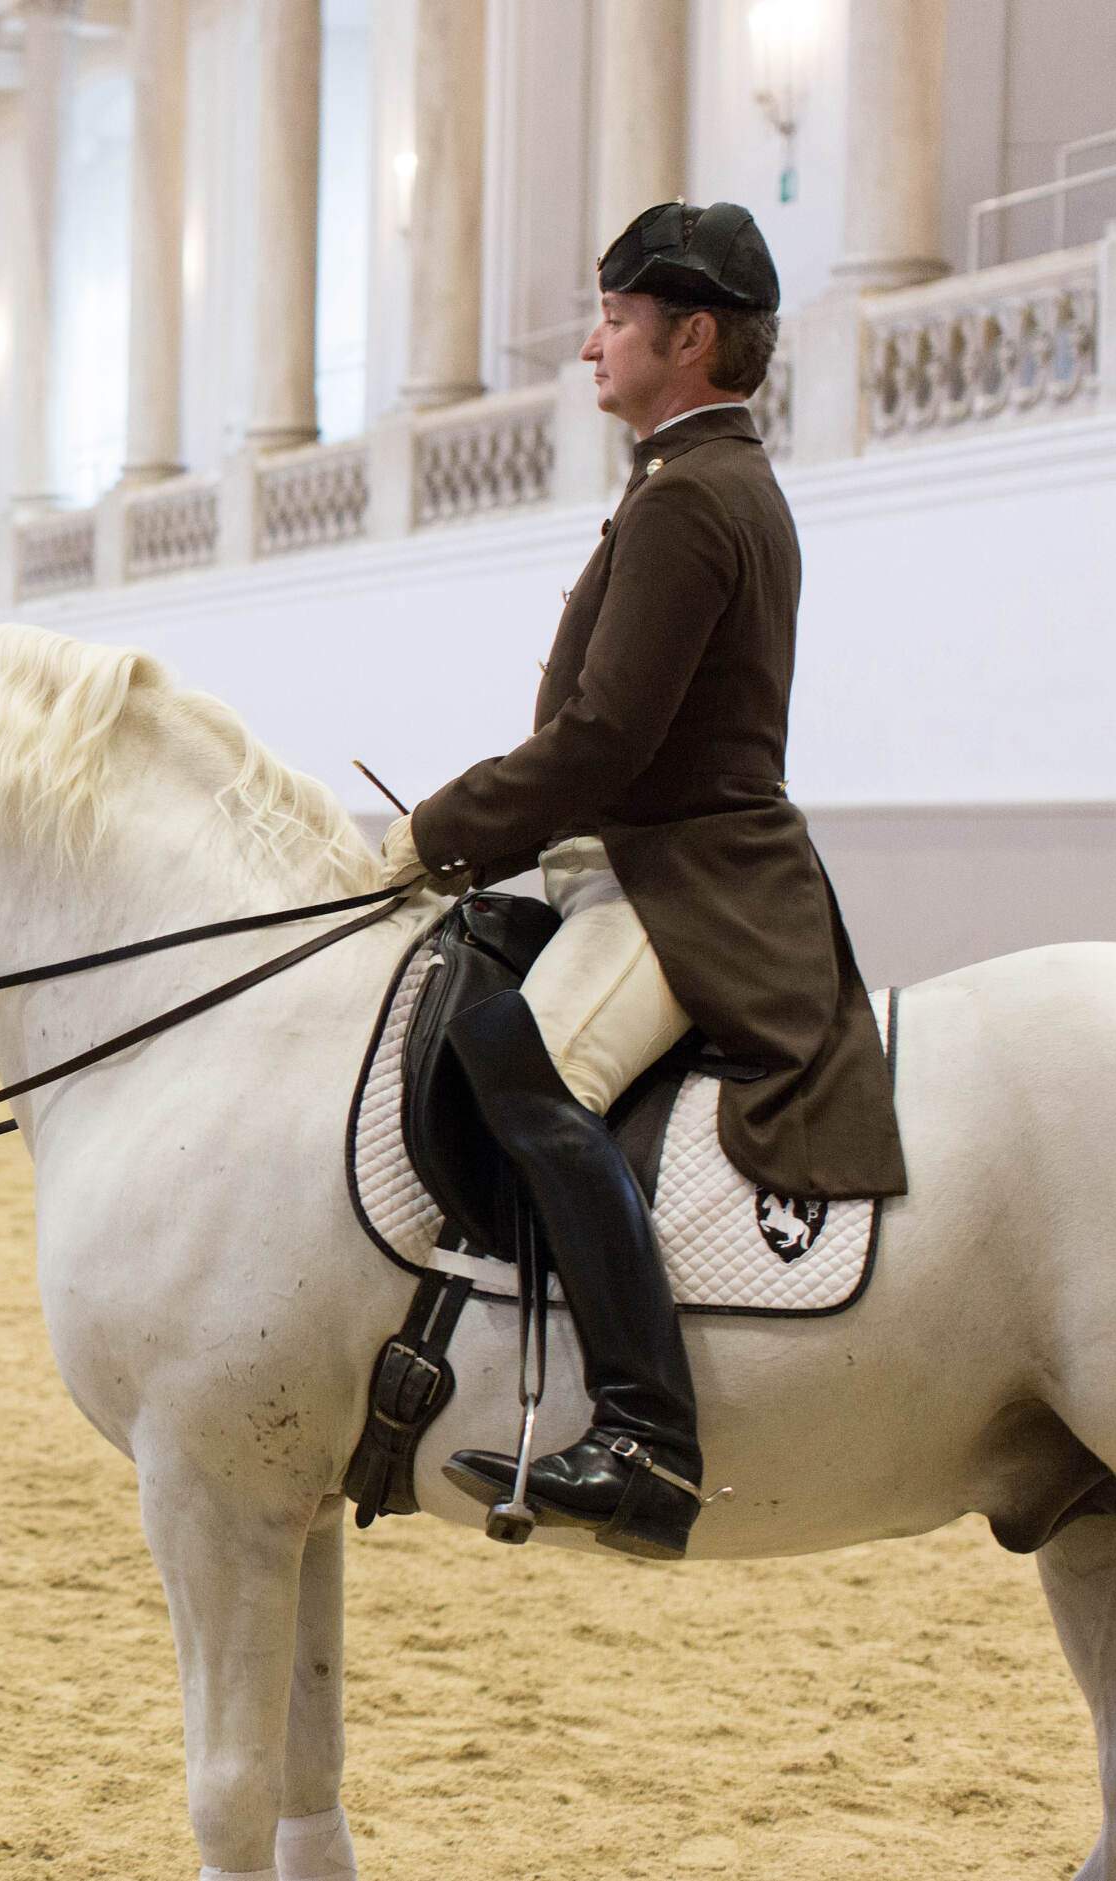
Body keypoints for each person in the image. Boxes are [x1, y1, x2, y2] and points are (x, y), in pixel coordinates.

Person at [383, 201, 906, 1561]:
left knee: (527, 1067)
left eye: (615, 321)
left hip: (686, 880)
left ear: (694, 338)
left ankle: (645, 1435)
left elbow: (604, 742)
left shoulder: (691, 499)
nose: (589, 346)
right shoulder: (695, 480)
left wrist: (435, 830)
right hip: (650, 862)